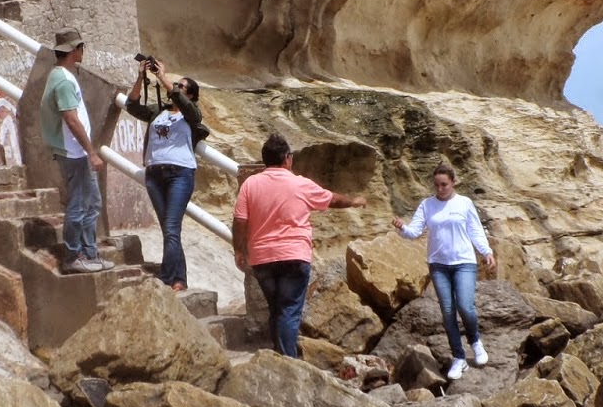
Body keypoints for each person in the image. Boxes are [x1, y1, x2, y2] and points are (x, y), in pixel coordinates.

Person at [233, 133, 366, 358]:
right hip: (294, 256)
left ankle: (278, 356)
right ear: (287, 158)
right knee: (289, 312)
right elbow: (332, 199)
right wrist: (355, 200)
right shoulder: (299, 183)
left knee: (276, 309)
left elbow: (239, 221)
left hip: (262, 259)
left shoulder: (250, 184)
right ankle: (289, 362)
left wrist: (239, 250)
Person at [393, 163, 497, 380]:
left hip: (464, 262)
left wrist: (486, 251)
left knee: (465, 306)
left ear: (453, 182)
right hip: (438, 264)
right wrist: (402, 228)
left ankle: (475, 341)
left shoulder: (464, 203)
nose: (440, 189)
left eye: (444, 184)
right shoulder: (427, 205)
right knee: (448, 312)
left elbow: (475, 231)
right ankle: (459, 357)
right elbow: (415, 231)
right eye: (437, 185)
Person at [124, 56, 205, 292]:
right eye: (176, 85)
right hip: (155, 174)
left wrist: (163, 77)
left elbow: (189, 109)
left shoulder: (191, 115)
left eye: (182, 87)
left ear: (190, 95)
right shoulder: (157, 112)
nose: (176, 88)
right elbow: (132, 105)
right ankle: (179, 279)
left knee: (171, 227)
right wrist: (141, 76)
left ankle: (166, 278)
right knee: (169, 230)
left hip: (180, 173)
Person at [39, 28, 113, 275]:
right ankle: (74, 256)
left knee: (92, 203)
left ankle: (90, 253)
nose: (83, 51)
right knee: (79, 206)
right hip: (74, 153)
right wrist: (91, 151)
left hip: (76, 152)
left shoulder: (63, 76)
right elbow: (71, 119)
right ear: (74, 50)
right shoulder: (62, 80)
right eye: (81, 47)